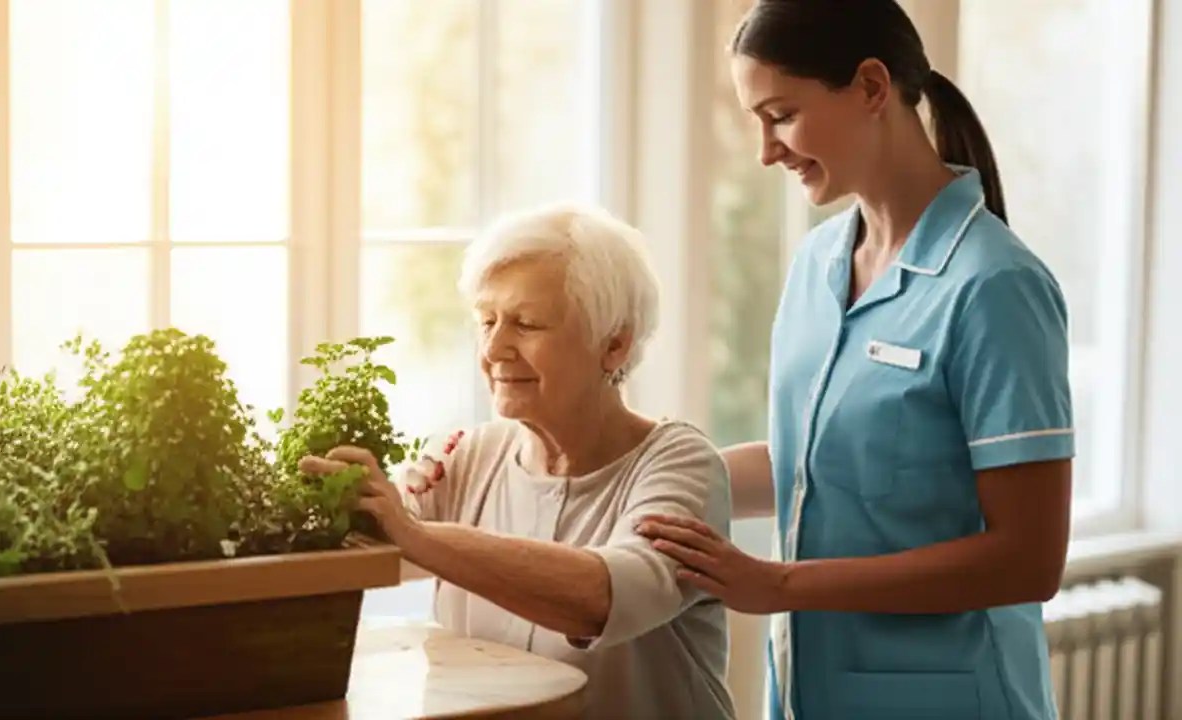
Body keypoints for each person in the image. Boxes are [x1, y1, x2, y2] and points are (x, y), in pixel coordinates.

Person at [636, 1, 1073, 718]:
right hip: (813, 689)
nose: (766, 150)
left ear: (871, 87)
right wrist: (639, 478)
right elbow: (810, 465)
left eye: (780, 114)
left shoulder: (995, 286)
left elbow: (1028, 558)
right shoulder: (818, 264)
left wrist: (778, 584)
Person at [300, 204, 736, 720]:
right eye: (486, 321)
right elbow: (360, 554)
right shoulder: (464, 455)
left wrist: (414, 534)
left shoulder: (682, 465)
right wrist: (366, 513)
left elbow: (601, 597)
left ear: (614, 344)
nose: (494, 348)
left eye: (526, 324)